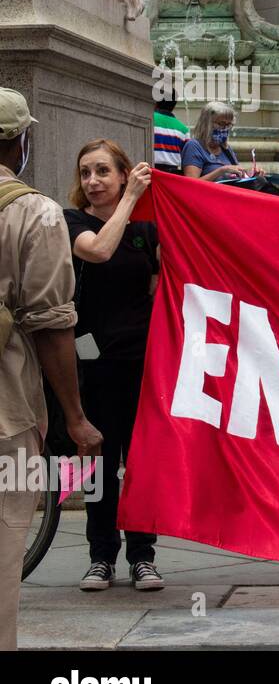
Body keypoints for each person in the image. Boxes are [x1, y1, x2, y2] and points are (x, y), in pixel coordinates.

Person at [0, 89, 103, 650]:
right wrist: (75, 417)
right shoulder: (35, 213)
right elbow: (53, 326)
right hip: (7, 413)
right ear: (21, 142)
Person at [64, 140, 164, 592]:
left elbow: (163, 284)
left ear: (124, 173)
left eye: (103, 171)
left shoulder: (147, 228)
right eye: (86, 173)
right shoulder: (73, 222)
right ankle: (100, 557)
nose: (93, 181)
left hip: (144, 362)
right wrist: (130, 200)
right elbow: (100, 251)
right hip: (94, 362)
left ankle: (143, 557)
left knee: (142, 463)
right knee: (101, 463)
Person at [180, 101, 245, 182]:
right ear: (207, 124)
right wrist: (221, 171)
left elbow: (239, 174)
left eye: (229, 125)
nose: (225, 128)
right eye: (221, 123)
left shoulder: (226, 149)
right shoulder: (194, 146)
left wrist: (251, 173)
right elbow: (191, 184)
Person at [152, 88, 189, 173]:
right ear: (174, 104)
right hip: (172, 173)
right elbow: (186, 157)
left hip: (150, 170)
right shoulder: (183, 129)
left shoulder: (149, 119)